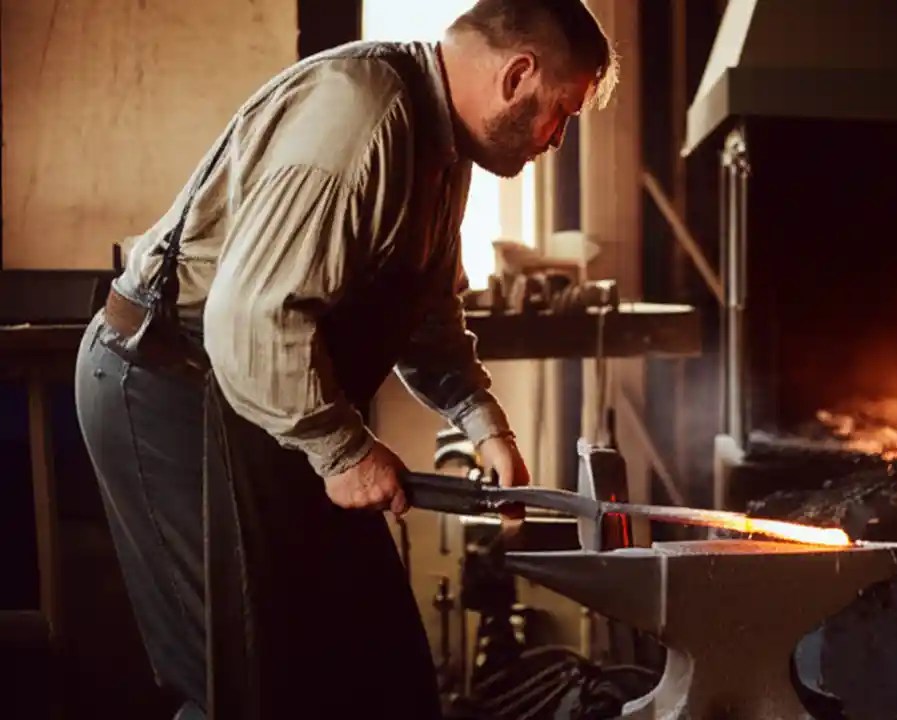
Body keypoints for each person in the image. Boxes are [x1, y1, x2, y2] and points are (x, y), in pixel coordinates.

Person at [73, 1, 618, 717]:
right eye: (562, 112)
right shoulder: (360, 115)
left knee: (377, 659)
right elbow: (252, 320)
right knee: (246, 682)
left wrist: (481, 420)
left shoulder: (439, 147)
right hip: (169, 388)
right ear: (518, 73)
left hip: (266, 402)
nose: (558, 140)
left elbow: (422, 307)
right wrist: (344, 453)